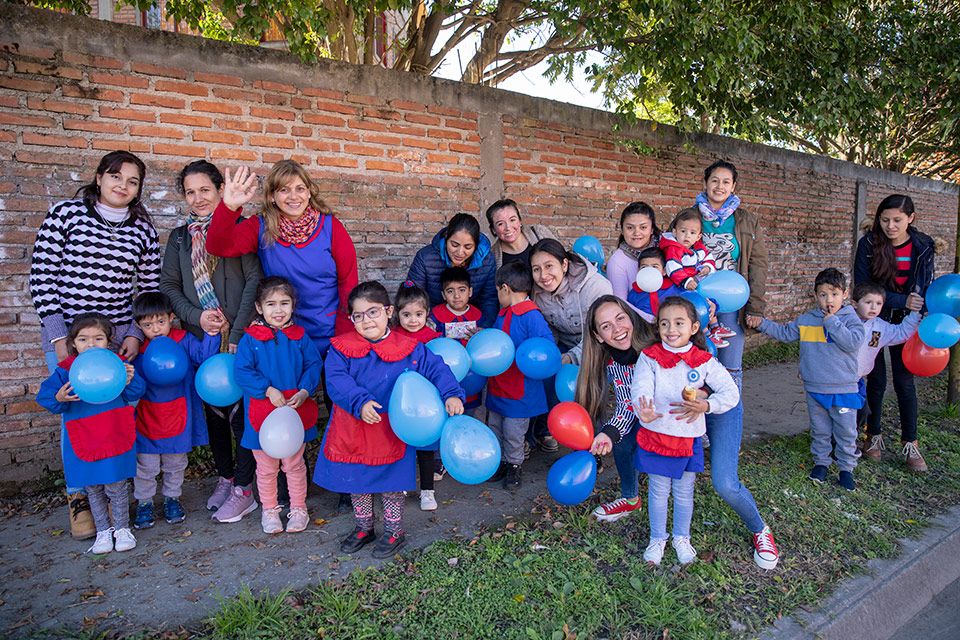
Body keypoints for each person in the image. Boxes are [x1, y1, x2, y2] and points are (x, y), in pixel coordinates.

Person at [29, 150, 161, 541]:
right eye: (116, 176)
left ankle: (118, 492)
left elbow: (149, 289)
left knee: (116, 414)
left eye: (132, 181)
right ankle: (80, 499)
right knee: (75, 412)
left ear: (139, 189)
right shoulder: (66, 215)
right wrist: (58, 339)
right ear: (100, 177)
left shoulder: (143, 229)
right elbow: (42, 276)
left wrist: (135, 334)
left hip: (116, 336)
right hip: (71, 336)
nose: (123, 185)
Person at [313, 282, 465, 559]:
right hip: (355, 426)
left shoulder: (408, 347)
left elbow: (437, 368)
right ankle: (364, 526)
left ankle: (395, 530)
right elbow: (336, 381)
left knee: (391, 483)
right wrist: (359, 401)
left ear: (389, 311)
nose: (366, 320)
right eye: (358, 315)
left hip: (391, 430)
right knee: (357, 480)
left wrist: (451, 393)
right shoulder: (340, 348)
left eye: (372, 312)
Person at [677, 159, 779, 570]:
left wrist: (755, 306)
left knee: (729, 374)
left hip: (731, 304)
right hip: (697, 305)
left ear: (734, 185)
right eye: (713, 181)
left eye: (726, 182)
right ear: (704, 184)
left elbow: (757, 263)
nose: (719, 186)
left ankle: (724, 412)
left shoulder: (746, 219)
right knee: (694, 367)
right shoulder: (688, 218)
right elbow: (675, 255)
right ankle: (700, 421)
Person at [158, 159, 261, 524]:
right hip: (203, 338)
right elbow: (169, 286)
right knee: (215, 414)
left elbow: (254, 282)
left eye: (205, 189)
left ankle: (246, 489)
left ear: (220, 190)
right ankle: (226, 476)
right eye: (190, 192)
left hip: (240, 338)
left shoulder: (241, 229)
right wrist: (196, 316)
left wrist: (235, 335)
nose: (198, 198)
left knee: (244, 417)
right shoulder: (180, 238)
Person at [631, 297, 739, 565]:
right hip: (657, 433)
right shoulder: (650, 357)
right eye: (664, 323)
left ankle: (682, 537)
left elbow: (731, 392)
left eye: (679, 323)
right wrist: (641, 407)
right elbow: (640, 387)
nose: (671, 329)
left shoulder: (703, 361)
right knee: (657, 490)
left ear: (694, 327)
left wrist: (707, 405)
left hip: (687, 438)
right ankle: (657, 537)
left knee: (683, 492)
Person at [36, 314, 146, 554]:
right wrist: (59, 398)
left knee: (117, 486)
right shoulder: (66, 371)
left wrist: (130, 380)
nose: (91, 344)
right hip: (84, 437)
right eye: (83, 339)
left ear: (108, 341)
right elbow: (44, 397)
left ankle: (122, 529)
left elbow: (137, 391)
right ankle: (103, 532)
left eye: (98, 338)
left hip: (113, 433)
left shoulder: (117, 365)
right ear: (73, 343)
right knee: (93, 488)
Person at [747, 268, 865, 490]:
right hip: (815, 388)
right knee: (819, 428)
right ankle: (821, 462)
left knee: (846, 431)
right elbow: (784, 333)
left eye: (834, 294)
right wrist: (761, 323)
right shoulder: (807, 319)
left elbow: (852, 343)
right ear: (815, 295)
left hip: (843, 389)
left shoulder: (851, 319)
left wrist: (833, 323)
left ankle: (846, 468)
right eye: (823, 294)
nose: (828, 300)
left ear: (845, 294)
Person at [234, 277, 322, 534]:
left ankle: (298, 508)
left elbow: (313, 365)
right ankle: (270, 510)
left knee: (294, 465)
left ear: (293, 305)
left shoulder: (300, 336)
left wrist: (306, 389)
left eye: (285, 303)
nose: (279, 310)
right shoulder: (250, 340)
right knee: (266, 467)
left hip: (294, 411)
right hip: (261, 413)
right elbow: (242, 371)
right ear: (259, 308)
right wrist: (266, 390)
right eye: (271, 304)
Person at [854, 194, 934, 472]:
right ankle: (872, 436)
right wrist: (900, 301)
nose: (890, 226)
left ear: (910, 219)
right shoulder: (868, 244)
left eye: (897, 220)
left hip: (908, 322)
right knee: (875, 380)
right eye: (885, 219)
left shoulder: (923, 246)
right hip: (874, 319)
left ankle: (910, 443)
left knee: (904, 382)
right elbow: (861, 287)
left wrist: (916, 309)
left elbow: (925, 284)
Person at [131, 293, 219, 529]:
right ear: (138, 326)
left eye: (161, 322)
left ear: (171, 318)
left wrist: (212, 335)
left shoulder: (183, 340)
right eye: (148, 325)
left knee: (175, 463)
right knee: (146, 466)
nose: (156, 329)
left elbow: (205, 356)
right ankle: (144, 502)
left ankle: (172, 498)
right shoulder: (137, 350)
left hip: (178, 416)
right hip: (148, 419)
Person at [579, 295, 657, 522]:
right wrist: (609, 433)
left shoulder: (658, 343)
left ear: (631, 317)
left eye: (620, 318)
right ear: (598, 336)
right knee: (621, 439)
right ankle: (630, 499)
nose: (617, 329)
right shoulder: (615, 363)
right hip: (646, 416)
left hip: (679, 416)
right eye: (606, 326)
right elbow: (626, 405)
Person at [484, 262, 554, 490]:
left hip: (519, 386)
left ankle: (515, 465)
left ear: (505, 288)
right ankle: (503, 462)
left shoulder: (531, 315)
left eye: (497, 291)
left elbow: (546, 348)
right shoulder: (504, 312)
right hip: (499, 383)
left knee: (514, 431)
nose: (497, 295)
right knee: (495, 424)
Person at [393, 282, 443, 512]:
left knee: (425, 449)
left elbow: (441, 369)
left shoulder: (434, 339)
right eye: (407, 315)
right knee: (401, 448)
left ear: (427, 314)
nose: (413, 320)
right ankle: (401, 486)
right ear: (397, 314)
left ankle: (427, 491)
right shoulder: (392, 338)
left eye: (419, 314)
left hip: (427, 406)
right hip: (401, 405)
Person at [850, 282, 922, 436]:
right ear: (854, 304)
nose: (873, 308)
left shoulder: (880, 327)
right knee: (842, 411)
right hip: (839, 379)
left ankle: (848, 441)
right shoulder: (844, 322)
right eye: (868, 302)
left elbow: (900, 332)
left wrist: (915, 314)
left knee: (861, 412)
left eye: (878, 304)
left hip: (857, 380)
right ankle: (837, 445)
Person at [530, 238, 613, 365]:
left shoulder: (595, 286)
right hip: (564, 349)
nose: (543, 275)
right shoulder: (537, 295)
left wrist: (573, 357)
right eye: (536, 269)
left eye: (549, 266)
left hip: (601, 347)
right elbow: (549, 330)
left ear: (564, 264)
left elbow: (604, 332)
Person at [659, 210, 736, 347]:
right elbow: (673, 267)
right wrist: (686, 281)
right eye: (683, 231)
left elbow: (708, 258)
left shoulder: (699, 248)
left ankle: (716, 327)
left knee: (709, 302)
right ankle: (708, 334)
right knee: (699, 307)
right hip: (681, 286)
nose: (687, 236)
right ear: (675, 232)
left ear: (698, 236)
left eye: (692, 233)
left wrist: (707, 267)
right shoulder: (673, 248)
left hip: (697, 282)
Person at [407, 213, 498, 328]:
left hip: (471, 322)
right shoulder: (425, 258)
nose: (460, 252)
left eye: (468, 247)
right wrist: (426, 323)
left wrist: (484, 327)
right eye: (454, 245)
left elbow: (489, 299)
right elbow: (413, 296)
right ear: (446, 238)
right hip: (432, 321)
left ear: (476, 245)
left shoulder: (486, 260)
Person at [606, 202, 661, 303]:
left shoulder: (664, 248)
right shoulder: (617, 261)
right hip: (638, 316)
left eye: (643, 227)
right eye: (630, 228)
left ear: (652, 229)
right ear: (622, 230)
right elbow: (621, 303)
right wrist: (653, 319)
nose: (636, 233)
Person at [485, 198, 557, 268]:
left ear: (520, 221)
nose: (508, 227)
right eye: (500, 224)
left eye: (512, 220)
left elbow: (562, 259)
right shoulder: (491, 257)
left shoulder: (539, 233)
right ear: (493, 229)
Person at [627, 247, 683, 323]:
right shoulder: (634, 294)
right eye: (644, 267)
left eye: (655, 267)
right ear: (638, 270)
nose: (649, 271)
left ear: (664, 271)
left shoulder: (675, 288)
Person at [431, 267, 483, 341]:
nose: (456, 296)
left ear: (470, 292)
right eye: (450, 291)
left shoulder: (477, 315)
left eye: (462, 290)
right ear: (443, 295)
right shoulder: (435, 315)